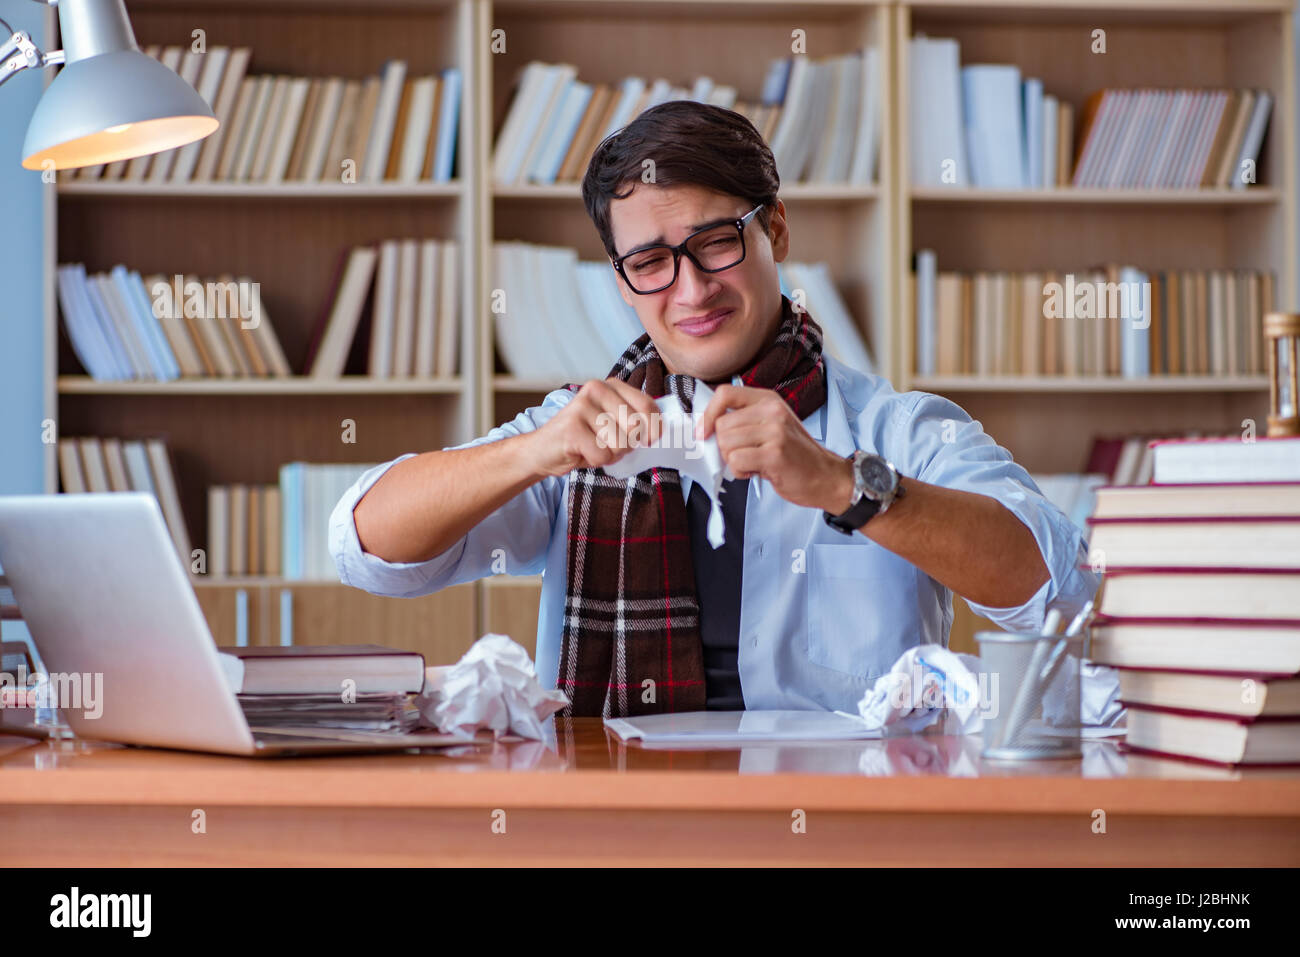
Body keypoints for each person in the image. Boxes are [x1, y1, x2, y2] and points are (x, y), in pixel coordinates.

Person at [329, 101, 1098, 718]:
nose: (691, 291)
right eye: (651, 263)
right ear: (623, 283)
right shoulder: (580, 432)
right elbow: (364, 549)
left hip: (855, 819)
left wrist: (841, 485)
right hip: (623, 813)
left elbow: (1058, 592)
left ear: (777, 231)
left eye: (717, 243)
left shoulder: (894, 429)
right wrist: (534, 452)